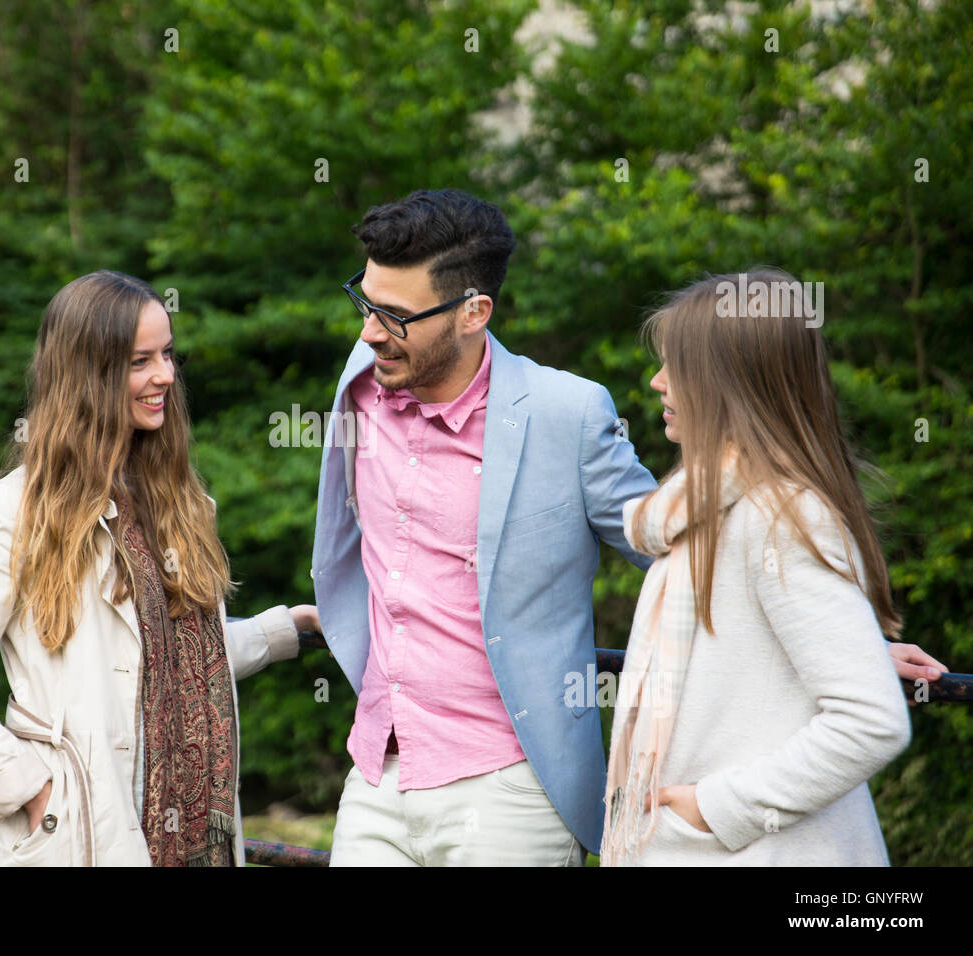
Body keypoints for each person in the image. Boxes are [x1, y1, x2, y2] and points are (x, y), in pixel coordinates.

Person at [311, 189, 946, 866]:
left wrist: (843, 645)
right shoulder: (364, 380)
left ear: (474, 312)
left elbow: (679, 544)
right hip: (377, 768)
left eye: (394, 316)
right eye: (365, 303)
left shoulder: (568, 413)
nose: (369, 331)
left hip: (510, 784)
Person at [0, 269, 314, 866]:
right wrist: (30, 788)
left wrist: (282, 631)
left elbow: (172, 660)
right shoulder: (15, 515)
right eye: (140, 360)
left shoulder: (182, 505)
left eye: (167, 354)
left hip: (199, 845)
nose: (166, 375)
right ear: (88, 374)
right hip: (83, 839)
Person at [601, 270, 921, 865]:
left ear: (730, 384)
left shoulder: (778, 515)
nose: (656, 382)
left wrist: (720, 807)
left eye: (676, 368)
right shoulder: (707, 510)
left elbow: (873, 721)